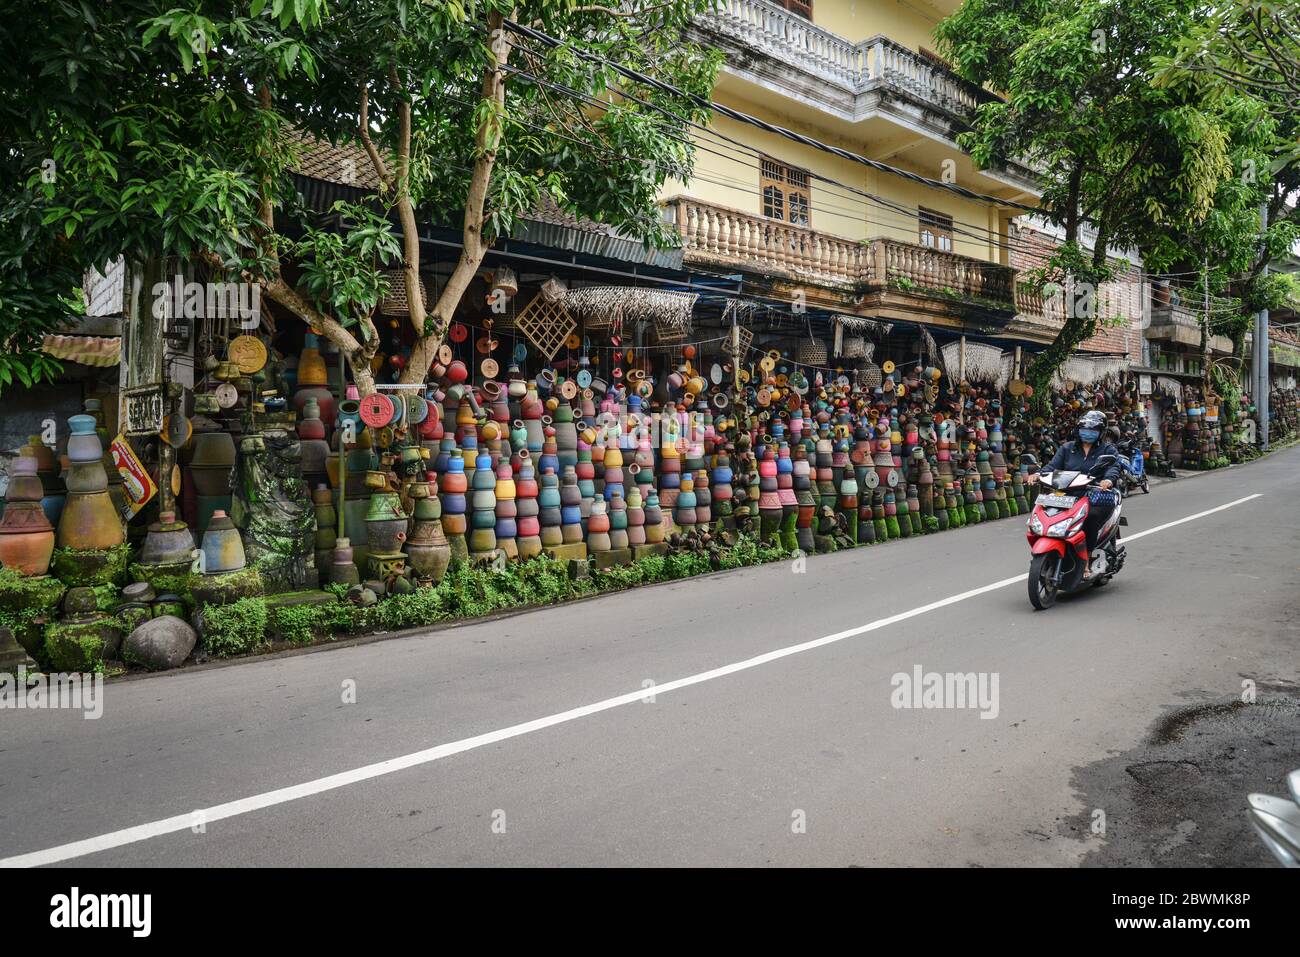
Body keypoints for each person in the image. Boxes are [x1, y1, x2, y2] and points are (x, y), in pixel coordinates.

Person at [1029, 410, 1122, 577]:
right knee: (1047, 514)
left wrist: (1107, 480)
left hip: (1096, 496)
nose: (1087, 433)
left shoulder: (1108, 449)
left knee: (1090, 518)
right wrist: (1038, 475)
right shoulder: (1067, 448)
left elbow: (1113, 467)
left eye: (1093, 430)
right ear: (1078, 430)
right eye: (1084, 429)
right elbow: (1052, 466)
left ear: (1100, 432)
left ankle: (1086, 560)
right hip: (1067, 496)